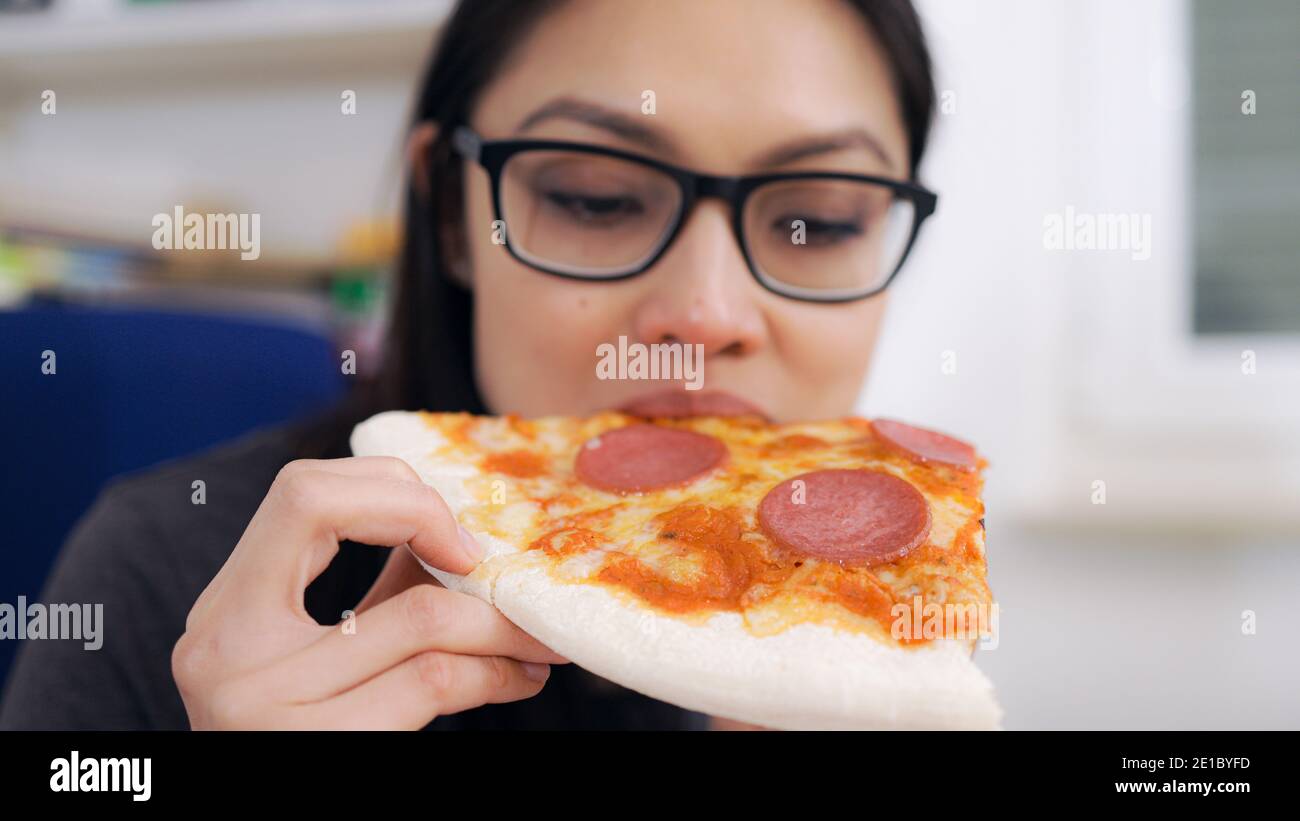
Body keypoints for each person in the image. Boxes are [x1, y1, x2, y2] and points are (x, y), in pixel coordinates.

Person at [0, 0, 938, 730]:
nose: (707, 312)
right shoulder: (161, 576)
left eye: (820, 217)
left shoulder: (897, 613)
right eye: (598, 197)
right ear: (453, 216)